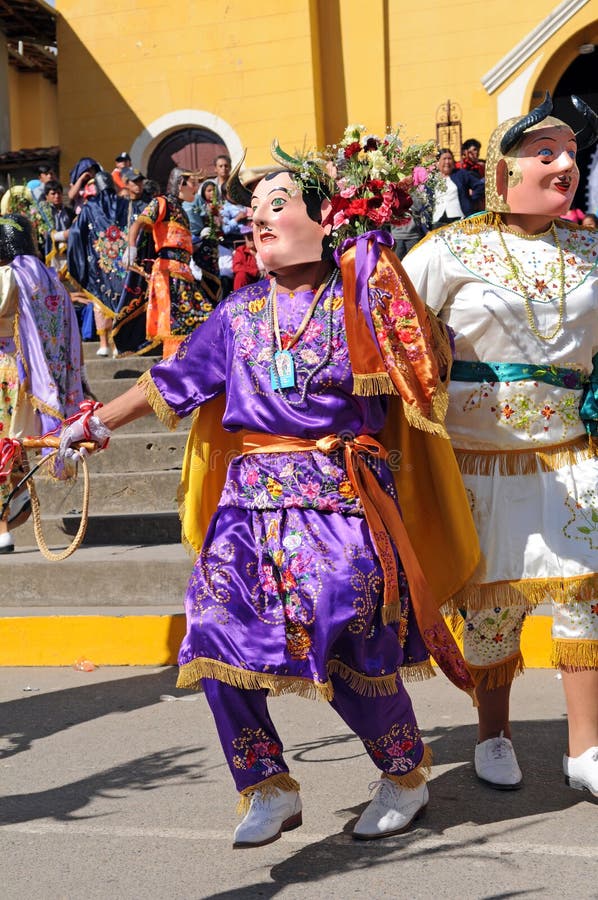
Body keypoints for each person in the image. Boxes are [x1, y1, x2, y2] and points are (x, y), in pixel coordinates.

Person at [58, 150, 479, 848]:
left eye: (277, 204)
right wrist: (92, 424)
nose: (256, 220)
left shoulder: (362, 298)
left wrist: (381, 271)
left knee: (343, 622)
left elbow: (426, 365)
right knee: (212, 628)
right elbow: (171, 379)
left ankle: (405, 774)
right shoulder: (238, 312)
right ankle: (267, 784)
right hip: (248, 503)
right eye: (252, 211)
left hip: (342, 499)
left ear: (329, 219)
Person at [403, 92, 598, 796]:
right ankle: (492, 735)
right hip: (476, 460)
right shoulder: (448, 249)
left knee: (586, 595)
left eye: (572, 153)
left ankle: (586, 749)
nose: (566, 163)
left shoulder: (593, 249)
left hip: (571, 454)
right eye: (546, 153)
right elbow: (389, 330)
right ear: (500, 171)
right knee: (493, 608)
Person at [0, 214, 84, 553]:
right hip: (36, 377)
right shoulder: (51, 279)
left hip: (7, 370)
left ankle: (3, 522)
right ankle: (18, 495)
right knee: (13, 443)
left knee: (4, 444)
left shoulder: (9, 277)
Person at [120, 167, 220, 357]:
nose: (196, 188)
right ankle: (173, 365)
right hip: (168, 274)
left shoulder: (182, 212)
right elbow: (138, 223)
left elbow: (182, 245)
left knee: (201, 319)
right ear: (181, 184)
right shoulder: (161, 202)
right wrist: (131, 247)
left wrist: (205, 242)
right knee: (176, 324)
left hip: (185, 273)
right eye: (193, 183)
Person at [431, 148, 485, 228]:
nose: (447, 162)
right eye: (444, 159)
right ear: (438, 162)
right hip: (438, 221)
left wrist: (471, 199)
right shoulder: (433, 179)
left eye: (449, 158)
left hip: (459, 219)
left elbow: (480, 186)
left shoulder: (461, 174)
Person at [43, 179, 75, 271]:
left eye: (59, 193)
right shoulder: (43, 213)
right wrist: (61, 235)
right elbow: (44, 234)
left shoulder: (69, 211)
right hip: (50, 250)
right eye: (53, 194)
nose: (57, 196)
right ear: (46, 196)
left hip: (67, 250)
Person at [231, 223, 263, 289]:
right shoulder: (240, 250)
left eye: (253, 236)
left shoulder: (265, 249)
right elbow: (236, 267)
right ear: (245, 238)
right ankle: (239, 295)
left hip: (265, 278)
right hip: (248, 280)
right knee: (241, 275)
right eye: (248, 237)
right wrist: (256, 272)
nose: (251, 239)